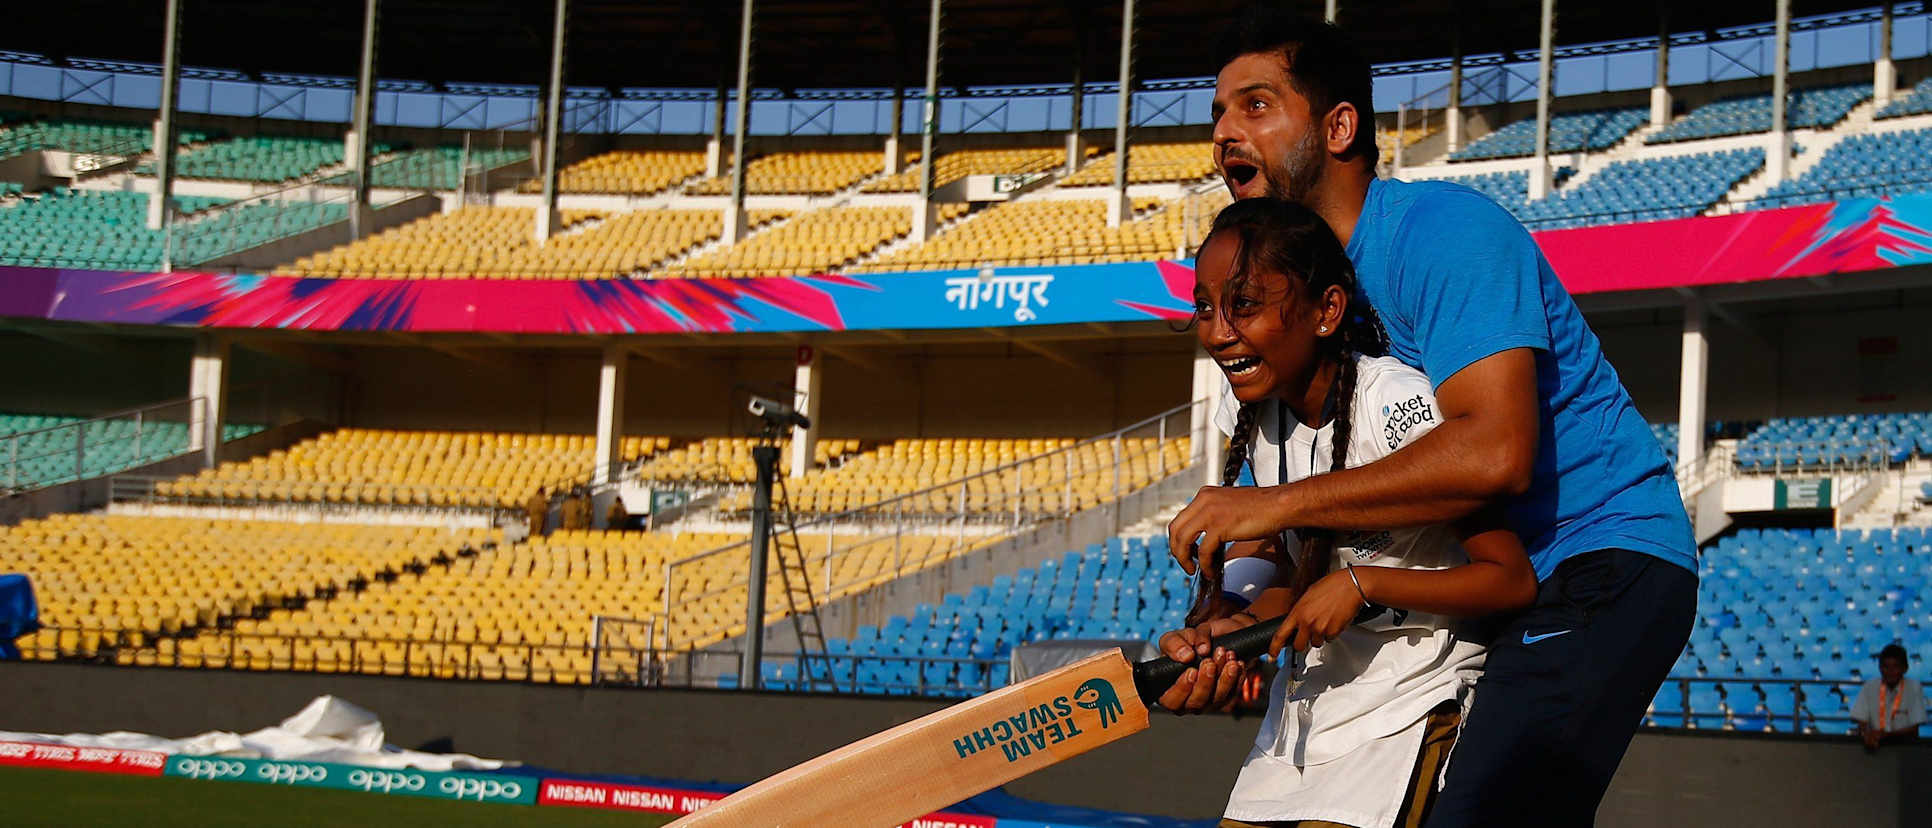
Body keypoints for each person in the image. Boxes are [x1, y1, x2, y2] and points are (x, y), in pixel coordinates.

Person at [1159, 8, 1698, 827]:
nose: (1226, 134)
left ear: (1340, 126)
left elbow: (1495, 454)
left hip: (1597, 559)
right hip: (1494, 586)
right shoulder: (1294, 310)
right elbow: (1283, 538)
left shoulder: (1444, 234)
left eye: (1257, 106)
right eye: (1219, 115)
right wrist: (1224, 626)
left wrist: (1272, 508)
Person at [1159, 198, 1538, 828]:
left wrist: (1365, 586)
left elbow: (1510, 579)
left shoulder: (1399, 406)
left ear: (1328, 310)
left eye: (1245, 305)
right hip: (1304, 717)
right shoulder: (1247, 413)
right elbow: (1298, 580)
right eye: (1204, 307)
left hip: (1408, 708)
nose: (1218, 331)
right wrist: (1231, 629)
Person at [1851, 643, 1926, 751]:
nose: (1890, 671)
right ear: (1879, 668)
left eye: (1895, 666)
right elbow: (1860, 719)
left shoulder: (1914, 687)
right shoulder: (1870, 686)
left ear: (1905, 668)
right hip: (1875, 746)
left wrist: (1887, 735)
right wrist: (1867, 734)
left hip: (1905, 748)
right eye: (1886, 667)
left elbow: (1914, 727)